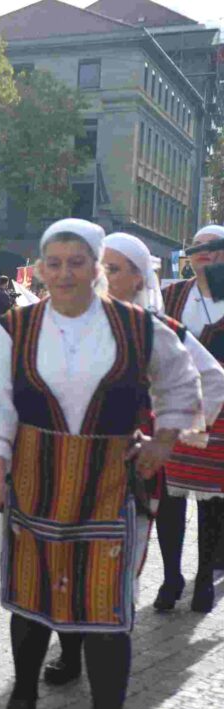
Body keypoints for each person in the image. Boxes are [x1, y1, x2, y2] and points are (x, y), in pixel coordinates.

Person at [0, 218, 204, 709]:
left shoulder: (137, 326)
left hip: (108, 484)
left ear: (98, 267)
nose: (65, 273)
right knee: (31, 598)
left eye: (78, 262)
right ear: (40, 268)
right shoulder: (16, 327)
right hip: (36, 480)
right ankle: (23, 697)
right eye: (54, 263)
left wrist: (164, 441)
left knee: (107, 612)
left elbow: (183, 381)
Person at [40, 231, 224, 686]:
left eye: (114, 268)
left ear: (139, 277)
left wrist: (170, 433)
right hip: (64, 460)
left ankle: (195, 581)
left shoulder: (153, 327)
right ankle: (69, 650)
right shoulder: (56, 319)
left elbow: (211, 378)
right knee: (63, 559)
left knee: (111, 567)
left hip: (124, 467)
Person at [157, 224, 224, 612]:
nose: (206, 253)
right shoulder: (172, 296)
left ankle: (203, 581)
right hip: (175, 408)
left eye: (215, 247)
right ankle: (171, 577)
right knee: (170, 498)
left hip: (220, 414)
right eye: (199, 247)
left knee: (212, 502)